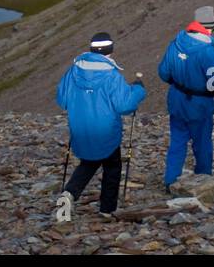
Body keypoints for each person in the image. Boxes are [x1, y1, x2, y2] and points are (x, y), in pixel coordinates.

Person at [157, 6, 214, 191]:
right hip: (200, 105)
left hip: (176, 101)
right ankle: (204, 179)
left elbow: (163, 73)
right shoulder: (208, 53)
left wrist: (181, 82)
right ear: (210, 27)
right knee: (202, 143)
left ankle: (170, 181)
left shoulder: (175, 43)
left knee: (177, 142)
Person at [55, 32, 146, 215]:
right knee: (112, 167)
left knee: (89, 162)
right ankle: (107, 210)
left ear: (91, 49)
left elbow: (62, 99)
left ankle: (69, 193)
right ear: (110, 50)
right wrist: (138, 90)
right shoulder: (111, 75)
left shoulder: (73, 71)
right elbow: (124, 106)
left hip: (80, 128)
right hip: (106, 130)